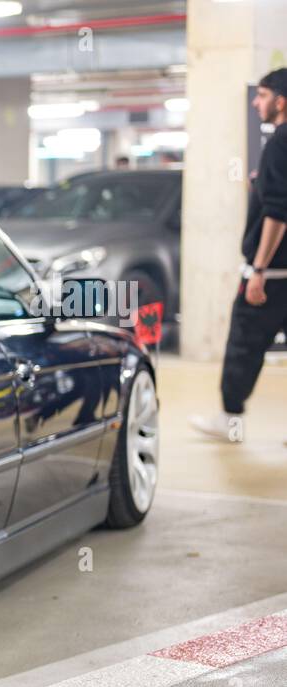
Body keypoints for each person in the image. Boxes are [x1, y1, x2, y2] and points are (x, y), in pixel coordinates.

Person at [191, 68, 287, 443]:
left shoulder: (280, 140)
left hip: (273, 274)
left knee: (243, 349)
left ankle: (230, 423)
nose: (255, 102)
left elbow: (280, 212)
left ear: (280, 101)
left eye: (262, 96)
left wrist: (259, 269)